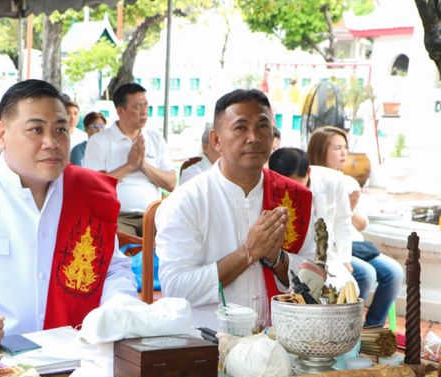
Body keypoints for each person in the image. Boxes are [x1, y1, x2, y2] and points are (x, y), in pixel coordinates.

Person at [0, 80, 137, 357]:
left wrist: (117, 309)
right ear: (1, 134)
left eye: (60, 129)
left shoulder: (89, 193)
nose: (51, 143)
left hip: (81, 355)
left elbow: (113, 271)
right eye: (36, 130)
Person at [155, 89, 315, 328]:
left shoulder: (294, 198)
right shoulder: (186, 201)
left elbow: (313, 277)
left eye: (263, 126)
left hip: (281, 339)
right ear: (216, 140)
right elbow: (178, 287)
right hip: (209, 342)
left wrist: (277, 259)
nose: (254, 137)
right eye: (240, 128)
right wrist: (247, 253)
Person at [307, 126, 402, 327]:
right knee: (366, 274)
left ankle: (372, 328)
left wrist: (348, 211)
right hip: (332, 249)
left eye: (345, 147)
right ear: (319, 150)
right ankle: (347, 328)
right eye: (336, 148)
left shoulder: (348, 181)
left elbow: (362, 224)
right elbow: (318, 228)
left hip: (356, 245)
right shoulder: (311, 181)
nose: (343, 153)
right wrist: (340, 213)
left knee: (394, 272)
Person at [83, 83, 176, 237]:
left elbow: (171, 183)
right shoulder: (100, 141)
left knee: (176, 240)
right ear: (121, 111)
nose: (144, 112)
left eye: (146, 105)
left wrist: (143, 166)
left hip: (154, 215)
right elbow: (94, 186)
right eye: (138, 107)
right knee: (123, 249)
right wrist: (129, 166)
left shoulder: (155, 138)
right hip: (118, 217)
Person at [269, 147, 355, 288]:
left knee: (350, 286)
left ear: (308, 173)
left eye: (295, 185)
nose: (290, 190)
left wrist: (345, 259)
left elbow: (343, 220)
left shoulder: (334, 181)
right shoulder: (269, 186)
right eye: (285, 185)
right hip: (287, 257)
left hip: (327, 254)